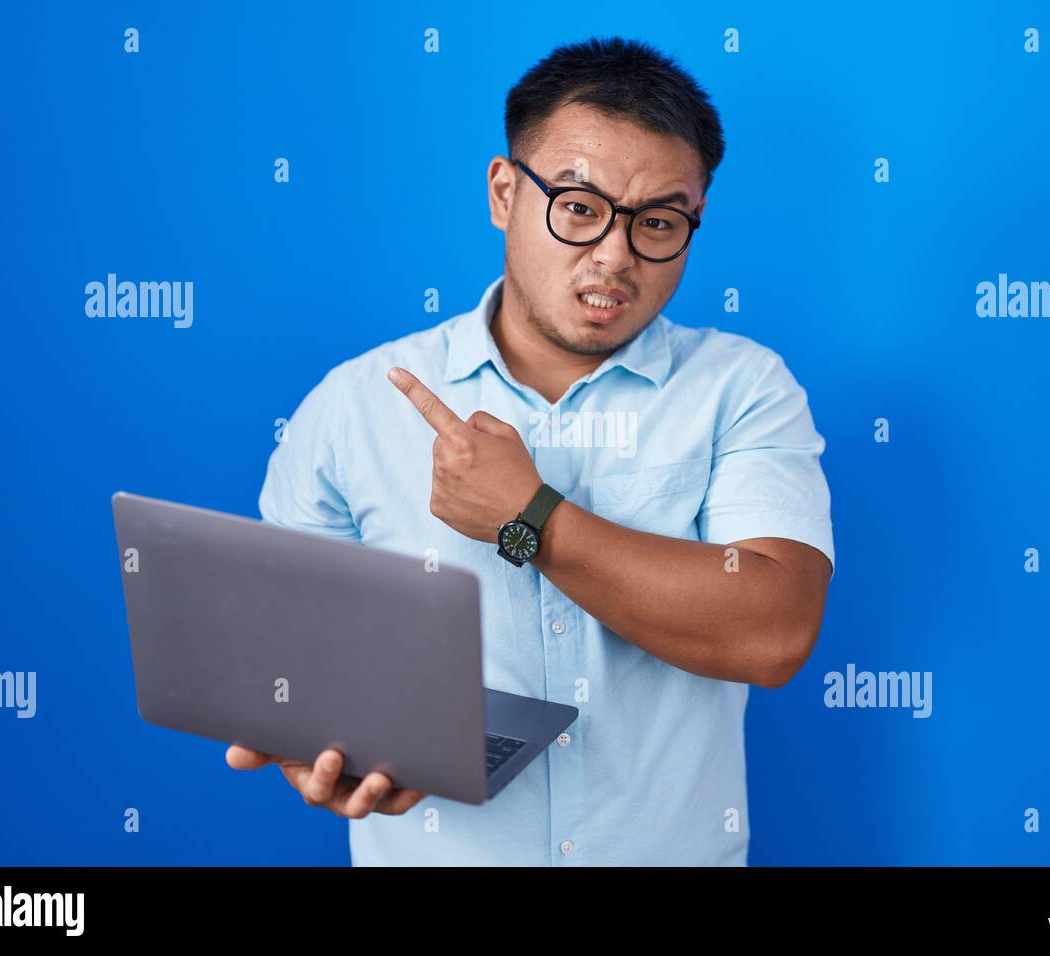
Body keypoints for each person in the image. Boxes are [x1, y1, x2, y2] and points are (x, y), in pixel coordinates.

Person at [226, 35, 834, 866]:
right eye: (579, 208)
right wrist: (325, 751)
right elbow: (298, 666)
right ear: (504, 193)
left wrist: (528, 517)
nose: (616, 257)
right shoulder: (353, 405)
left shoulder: (743, 388)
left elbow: (774, 630)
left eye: (658, 223)